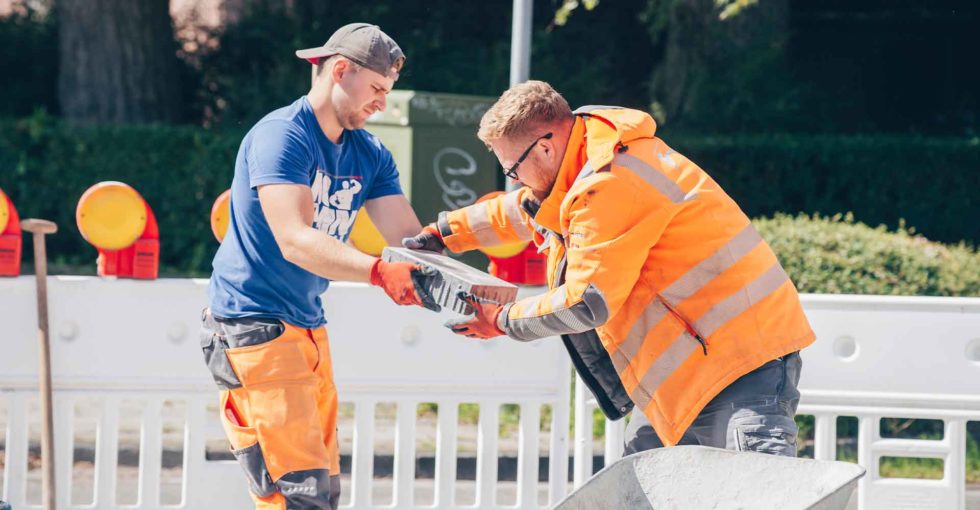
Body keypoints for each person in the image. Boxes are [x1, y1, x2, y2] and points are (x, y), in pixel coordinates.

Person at [403, 80, 815, 457]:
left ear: (545, 147)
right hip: (690, 371)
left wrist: (502, 320)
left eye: (512, 168)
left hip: (739, 365)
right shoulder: (582, 165)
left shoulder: (610, 182)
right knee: (640, 492)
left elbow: (586, 303)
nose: (513, 181)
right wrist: (445, 233)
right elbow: (521, 209)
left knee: (753, 491)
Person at [201, 23, 438, 510]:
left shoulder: (369, 152)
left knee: (316, 489)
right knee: (300, 494)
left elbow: (410, 243)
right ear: (341, 70)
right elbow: (295, 240)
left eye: (387, 92)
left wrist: (467, 290)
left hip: (307, 324)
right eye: (376, 89)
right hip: (254, 326)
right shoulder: (281, 137)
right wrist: (377, 272)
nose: (382, 104)